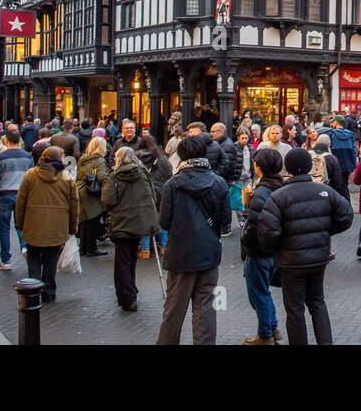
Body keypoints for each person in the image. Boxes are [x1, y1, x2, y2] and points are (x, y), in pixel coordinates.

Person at [257, 148, 354, 345]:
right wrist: (325, 231)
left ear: (288, 168)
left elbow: (268, 231)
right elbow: (346, 215)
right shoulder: (325, 191)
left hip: (291, 260)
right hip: (318, 256)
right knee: (317, 302)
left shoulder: (279, 196)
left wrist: (278, 246)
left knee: (294, 308)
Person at [156, 134, 232, 345]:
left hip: (180, 253)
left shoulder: (173, 184)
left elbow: (164, 221)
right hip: (208, 253)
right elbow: (226, 220)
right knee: (206, 307)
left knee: (174, 309)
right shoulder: (219, 183)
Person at [14, 145, 80, 304]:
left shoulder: (31, 175)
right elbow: (74, 204)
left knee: (34, 257)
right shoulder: (66, 177)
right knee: (51, 259)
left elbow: (20, 201)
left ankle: (33, 290)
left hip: (33, 224)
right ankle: (49, 292)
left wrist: (20, 223)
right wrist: (73, 227)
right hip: (57, 226)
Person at [102, 146, 160, 312]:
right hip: (140, 222)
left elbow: (108, 200)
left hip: (122, 223)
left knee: (122, 261)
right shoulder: (143, 173)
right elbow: (153, 195)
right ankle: (131, 292)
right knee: (131, 258)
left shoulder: (114, 176)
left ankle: (126, 296)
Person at [240, 147, 285, 344]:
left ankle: (265, 333)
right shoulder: (281, 187)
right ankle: (272, 327)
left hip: (259, 250)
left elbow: (255, 222)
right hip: (275, 248)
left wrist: (245, 237)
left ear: (259, 167)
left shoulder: (262, 191)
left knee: (257, 293)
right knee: (263, 291)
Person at [0, 129, 32, 270]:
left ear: (6, 141)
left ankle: (5, 260)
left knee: (4, 227)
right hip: (22, 193)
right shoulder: (28, 156)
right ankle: (25, 248)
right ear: (19, 141)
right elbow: (32, 175)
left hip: (4, 193)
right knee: (22, 224)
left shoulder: (0, 157)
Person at [76, 135, 110, 257]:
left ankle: (83, 248)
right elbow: (102, 177)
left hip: (81, 189)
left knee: (85, 220)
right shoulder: (100, 161)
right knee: (93, 220)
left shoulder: (83, 158)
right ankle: (92, 248)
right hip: (92, 192)